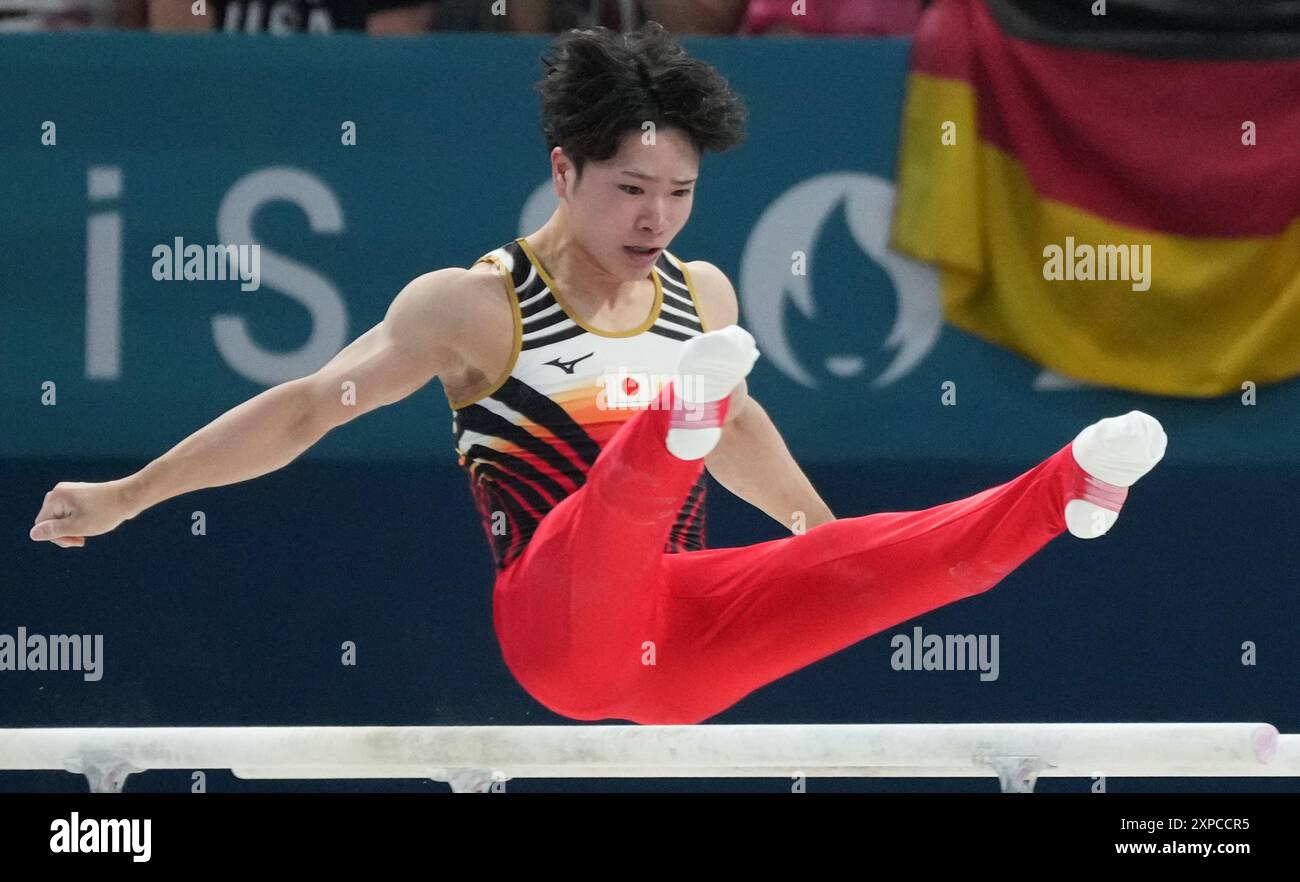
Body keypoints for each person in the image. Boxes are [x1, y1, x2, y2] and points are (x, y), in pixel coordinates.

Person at [29, 23, 1166, 725]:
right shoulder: (469, 307)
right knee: (629, 491)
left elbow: (751, 442)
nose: (656, 217)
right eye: (630, 188)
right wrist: (128, 498)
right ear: (562, 170)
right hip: (555, 631)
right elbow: (297, 414)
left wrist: (820, 545)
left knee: (910, 566)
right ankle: (668, 424)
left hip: (679, 650)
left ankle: (1068, 484)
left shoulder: (702, 298)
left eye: (678, 193)